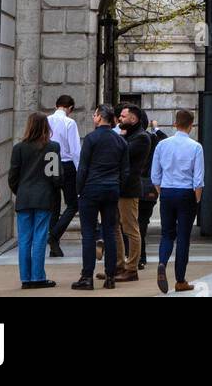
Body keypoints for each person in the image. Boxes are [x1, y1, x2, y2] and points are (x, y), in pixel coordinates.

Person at [71, 104, 128, 290]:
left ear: (100, 117)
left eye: (95, 114)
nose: (93, 117)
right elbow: (125, 171)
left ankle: (87, 276)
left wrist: (79, 189)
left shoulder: (91, 139)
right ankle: (110, 276)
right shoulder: (120, 141)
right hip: (111, 188)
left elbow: (83, 167)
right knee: (110, 231)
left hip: (91, 188)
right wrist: (118, 187)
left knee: (88, 233)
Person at [150, 108, 204, 294]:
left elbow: (155, 175)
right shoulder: (196, 147)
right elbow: (198, 179)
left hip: (167, 191)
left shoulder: (162, 145)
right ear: (191, 125)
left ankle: (162, 262)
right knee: (183, 238)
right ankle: (180, 279)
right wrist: (196, 200)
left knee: (167, 234)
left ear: (175, 123)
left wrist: (161, 191)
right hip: (186, 192)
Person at [8, 112, 61, 289]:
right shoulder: (52, 147)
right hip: (44, 197)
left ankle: (26, 278)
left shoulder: (19, 148)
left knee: (24, 239)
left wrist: (20, 191)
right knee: (39, 237)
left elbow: (13, 177)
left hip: (24, 197)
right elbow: (55, 175)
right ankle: (38, 277)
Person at [105, 103, 149, 283]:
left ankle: (131, 268)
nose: (120, 119)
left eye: (123, 116)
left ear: (134, 118)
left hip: (129, 189)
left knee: (131, 228)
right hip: (117, 187)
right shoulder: (128, 135)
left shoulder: (141, 137)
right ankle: (118, 265)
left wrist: (120, 136)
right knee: (115, 226)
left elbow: (120, 154)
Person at [46, 94, 81, 257]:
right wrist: (80, 169)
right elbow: (75, 150)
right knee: (73, 204)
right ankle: (54, 236)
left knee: (53, 205)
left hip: (50, 162)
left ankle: (55, 245)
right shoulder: (69, 122)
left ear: (56, 105)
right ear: (70, 108)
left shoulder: (46, 120)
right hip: (66, 164)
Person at [135, 111, 164, 270]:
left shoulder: (134, 139)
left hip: (138, 185)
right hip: (151, 187)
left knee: (134, 224)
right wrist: (157, 128)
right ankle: (141, 256)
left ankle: (139, 256)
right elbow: (165, 138)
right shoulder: (153, 138)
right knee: (142, 224)